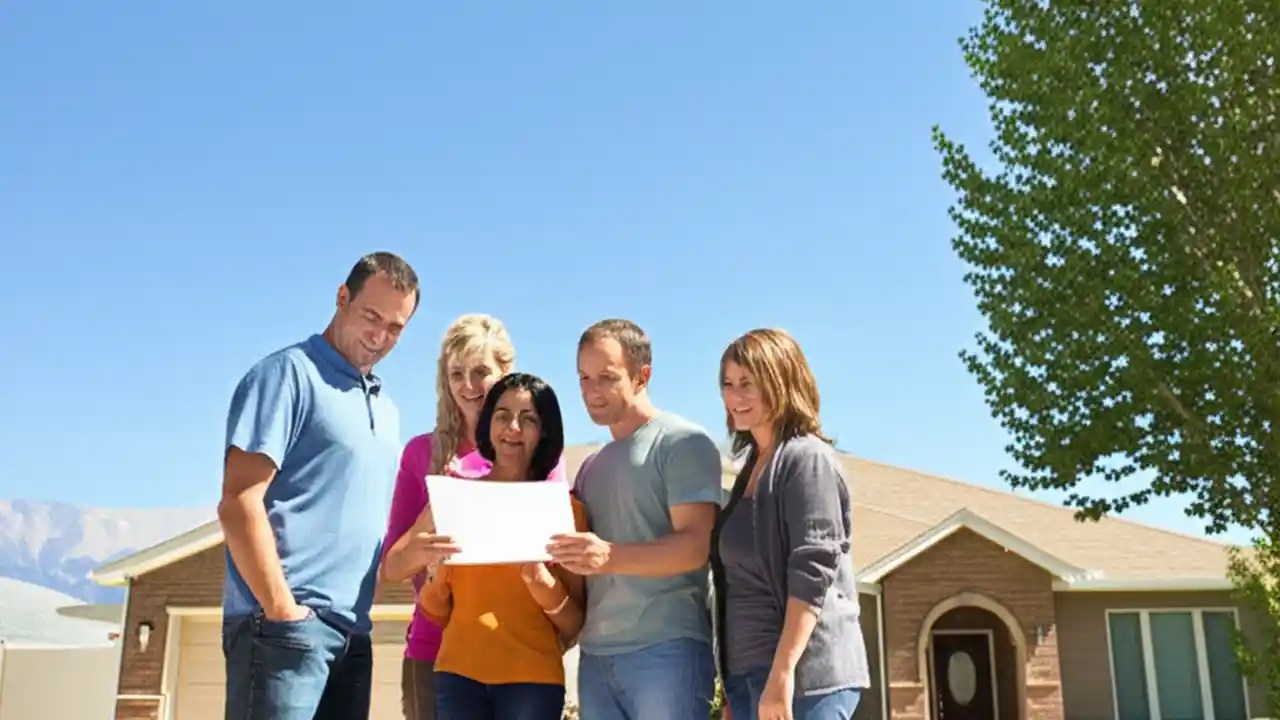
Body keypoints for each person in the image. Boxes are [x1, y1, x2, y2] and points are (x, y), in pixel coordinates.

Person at [217, 252, 447, 720]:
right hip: (282, 631)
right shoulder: (286, 375)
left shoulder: (387, 411)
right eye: (371, 317)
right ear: (342, 298)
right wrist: (282, 608)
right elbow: (239, 503)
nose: (380, 336)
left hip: (352, 635)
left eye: (396, 328)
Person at [381, 313, 562, 719]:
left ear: (506, 374)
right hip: (436, 653)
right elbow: (391, 566)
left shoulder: (541, 454)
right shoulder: (420, 455)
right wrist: (431, 526)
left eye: (480, 372)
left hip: (522, 659)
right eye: (456, 373)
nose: (467, 386)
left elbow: (557, 555)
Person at [547, 318, 724, 720]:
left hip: (667, 652)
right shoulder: (590, 467)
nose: (591, 392)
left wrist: (607, 556)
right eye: (583, 378)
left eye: (606, 378)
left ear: (642, 376)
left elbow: (695, 546)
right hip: (595, 659)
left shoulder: (683, 443)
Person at [710, 328, 869, 720]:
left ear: (780, 381)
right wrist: (733, 689)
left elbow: (812, 570)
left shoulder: (806, 459)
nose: (735, 396)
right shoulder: (750, 469)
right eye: (728, 384)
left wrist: (782, 674)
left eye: (747, 383)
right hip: (748, 678)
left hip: (806, 682)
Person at [417, 372, 588, 720]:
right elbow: (435, 612)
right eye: (502, 415)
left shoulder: (567, 512)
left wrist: (543, 586)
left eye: (528, 419)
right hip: (457, 676)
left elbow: (574, 625)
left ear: (545, 432)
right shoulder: (458, 500)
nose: (513, 428)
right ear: (488, 424)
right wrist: (437, 574)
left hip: (533, 683)